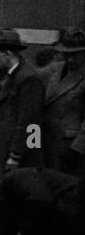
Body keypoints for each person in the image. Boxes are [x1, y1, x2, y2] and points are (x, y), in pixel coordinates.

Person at [0, 28, 44, 176]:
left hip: (14, 155)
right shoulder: (9, 77)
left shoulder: (28, 79)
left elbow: (31, 121)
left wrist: (16, 155)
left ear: (8, 54)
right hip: (4, 150)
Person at [40, 28, 85, 173]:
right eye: (66, 54)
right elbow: (34, 108)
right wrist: (32, 143)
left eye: (75, 55)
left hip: (69, 149)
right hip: (44, 144)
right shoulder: (54, 70)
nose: (70, 59)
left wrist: (76, 150)